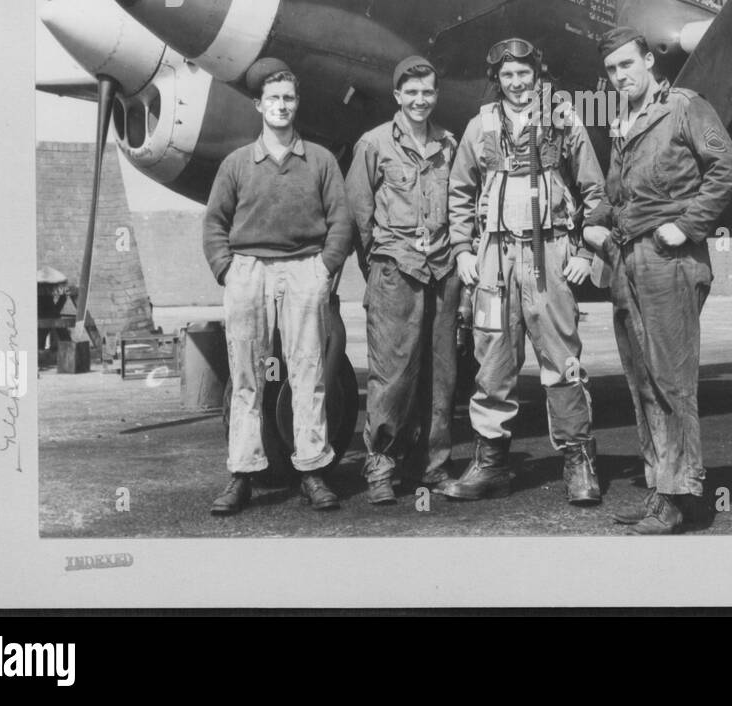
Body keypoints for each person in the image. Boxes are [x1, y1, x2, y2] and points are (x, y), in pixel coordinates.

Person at [589, 27, 732, 535]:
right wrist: (592, 218)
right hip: (628, 261)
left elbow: (727, 169)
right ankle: (662, 488)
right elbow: (617, 194)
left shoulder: (684, 107)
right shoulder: (624, 123)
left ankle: (679, 496)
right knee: (642, 382)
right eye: (611, 70)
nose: (620, 76)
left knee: (671, 381)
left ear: (648, 62)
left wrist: (687, 225)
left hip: (668, 259)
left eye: (627, 65)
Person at [442, 37, 608, 505]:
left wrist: (584, 254)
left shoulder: (563, 119)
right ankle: (491, 463)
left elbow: (594, 191)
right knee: (492, 360)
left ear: (538, 75)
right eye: (508, 76)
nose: (517, 83)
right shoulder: (480, 126)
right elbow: (459, 192)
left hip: (550, 255)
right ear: (497, 80)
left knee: (562, 360)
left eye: (525, 74)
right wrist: (462, 251)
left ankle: (578, 460)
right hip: (494, 259)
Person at [203, 57, 353, 515]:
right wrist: (228, 271)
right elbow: (214, 224)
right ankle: (242, 474)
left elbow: (341, 222)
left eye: (288, 98)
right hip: (249, 272)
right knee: (248, 376)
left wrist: (324, 270)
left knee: (307, 373)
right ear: (258, 105)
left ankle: (312, 470)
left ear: (296, 104)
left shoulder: (321, 161)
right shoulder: (236, 164)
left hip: (304, 270)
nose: (281, 106)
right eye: (273, 99)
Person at [345, 56, 462, 505]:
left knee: (441, 373)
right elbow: (359, 214)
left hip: (443, 271)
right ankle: (381, 464)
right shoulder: (373, 144)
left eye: (427, 92)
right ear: (398, 96)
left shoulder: (449, 145)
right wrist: (378, 265)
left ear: (436, 95)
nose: (420, 100)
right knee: (392, 373)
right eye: (411, 92)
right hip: (395, 269)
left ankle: (433, 465)